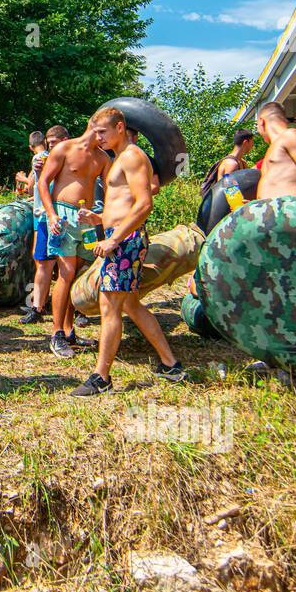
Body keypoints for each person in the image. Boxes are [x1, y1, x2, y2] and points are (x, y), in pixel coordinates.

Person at [71, 107, 184, 395]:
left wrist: (114, 239)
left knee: (109, 306)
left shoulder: (133, 156)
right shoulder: (121, 157)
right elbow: (123, 204)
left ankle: (101, 378)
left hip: (125, 241)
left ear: (120, 127)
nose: (98, 138)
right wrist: (98, 220)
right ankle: (171, 365)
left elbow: (144, 204)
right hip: (121, 236)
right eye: (95, 132)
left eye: (102, 132)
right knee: (131, 305)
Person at [37, 120, 108, 358]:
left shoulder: (103, 158)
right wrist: (51, 214)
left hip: (86, 219)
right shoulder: (65, 149)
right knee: (65, 274)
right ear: (93, 126)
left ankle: (68, 331)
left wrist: (101, 217)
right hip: (63, 215)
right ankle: (56, 334)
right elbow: (43, 181)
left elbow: (112, 189)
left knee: (77, 275)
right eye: (104, 133)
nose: (105, 139)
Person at [22, 125, 68, 325]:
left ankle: (75, 310)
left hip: (63, 217)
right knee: (42, 262)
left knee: (67, 264)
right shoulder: (42, 159)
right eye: (49, 144)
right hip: (43, 217)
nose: (51, 148)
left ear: (66, 140)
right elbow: (35, 186)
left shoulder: (71, 158)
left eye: (55, 144)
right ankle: (37, 308)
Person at [201, 130, 255, 197]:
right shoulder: (231, 164)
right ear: (246, 142)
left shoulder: (242, 162)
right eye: (252, 142)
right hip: (226, 206)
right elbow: (230, 193)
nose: (253, 146)